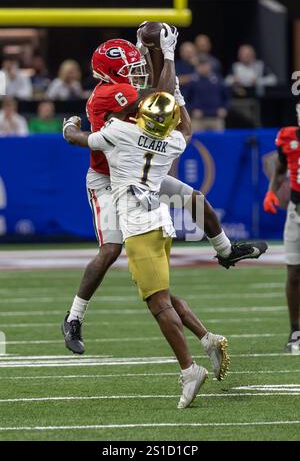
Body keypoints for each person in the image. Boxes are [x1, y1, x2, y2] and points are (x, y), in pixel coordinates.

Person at [60, 25, 268, 358]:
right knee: (111, 250)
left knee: (194, 199)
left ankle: (225, 250)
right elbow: (163, 98)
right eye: (129, 68)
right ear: (113, 74)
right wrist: (165, 53)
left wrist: (150, 52)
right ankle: (74, 316)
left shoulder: (119, 88)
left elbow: (158, 94)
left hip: (136, 169)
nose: (135, 70)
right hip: (109, 179)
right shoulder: (108, 94)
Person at [64, 89, 233, 408]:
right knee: (162, 295)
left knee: (158, 304)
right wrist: (180, 97)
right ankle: (207, 339)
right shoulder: (171, 143)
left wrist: (69, 124)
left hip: (139, 227)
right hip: (160, 223)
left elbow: (77, 138)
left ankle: (189, 369)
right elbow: (186, 130)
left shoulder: (120, 131)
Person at [263, 103, 300, 352]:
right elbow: (281, 167)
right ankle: (296, 330)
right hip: (296, 211)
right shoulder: (287, 136)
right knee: (294, 272)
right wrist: (272, 192)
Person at [186, 58, 229, 132]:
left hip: (216, 118)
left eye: (205, 65)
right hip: (198, 119)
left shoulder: (218, 80)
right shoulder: (193, 82)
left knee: (219, 141)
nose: (203, 68)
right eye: (201, 65)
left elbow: (226, 97)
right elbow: (186, 99)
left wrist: (224, 108)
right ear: (197, 67)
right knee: (196, 141)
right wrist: (192, 110)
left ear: (210, 66)